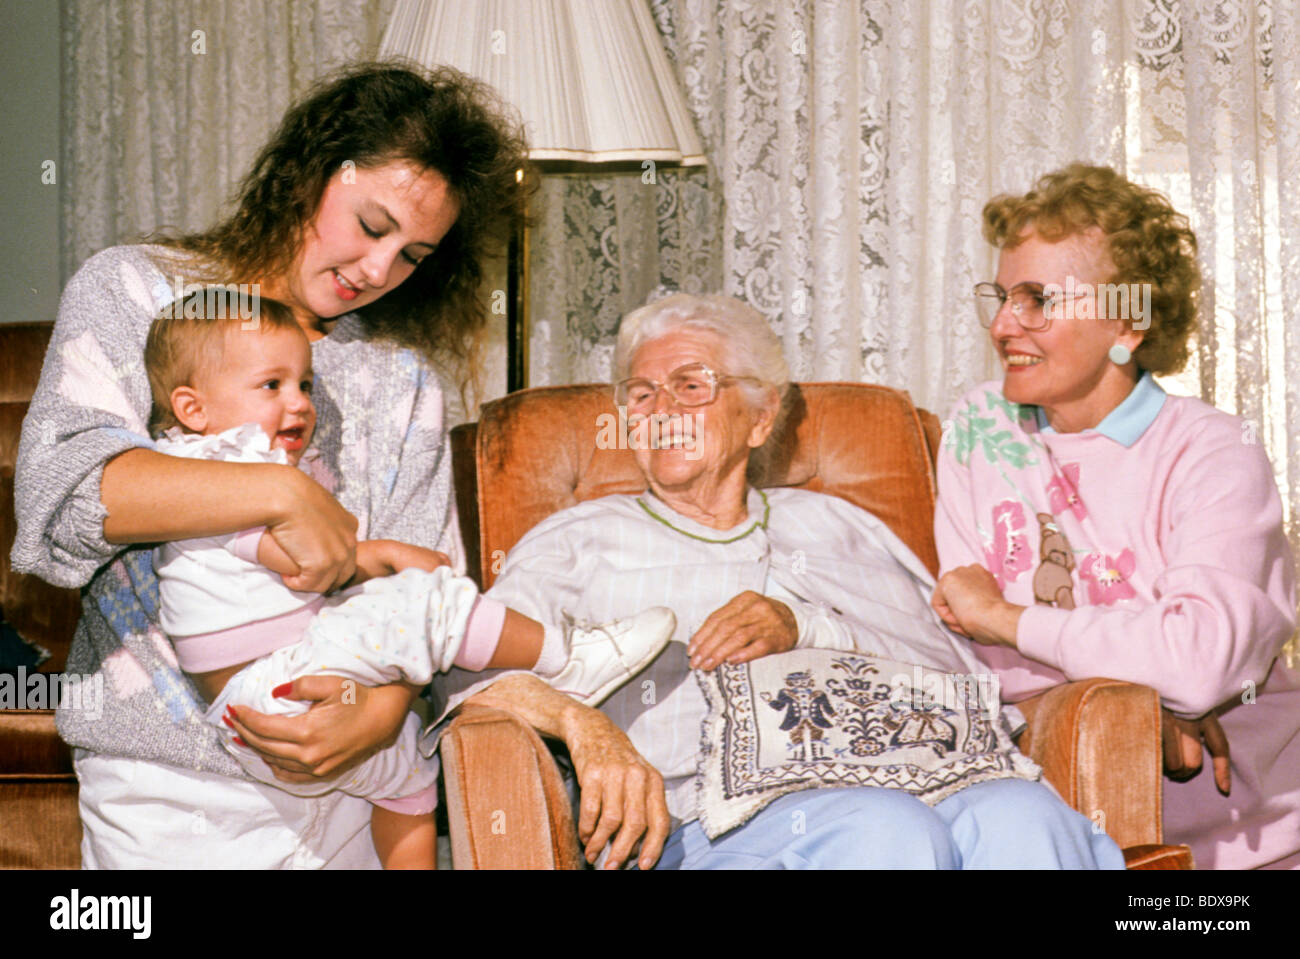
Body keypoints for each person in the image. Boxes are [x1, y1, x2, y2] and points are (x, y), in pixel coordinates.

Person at [12, 62, 537, 868]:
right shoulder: (137, 290)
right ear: (311, 174)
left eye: (412, 254)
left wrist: (379, 710)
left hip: (351, 795)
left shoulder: (403, 386)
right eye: (371, 224)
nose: (377, 269)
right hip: (163, 793)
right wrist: (277, 490)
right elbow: (65, 498)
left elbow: (424, 597)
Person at [433, 292, 1126, 870]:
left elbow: (948, 674)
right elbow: (467, 682)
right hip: (704, 826)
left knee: (1025, 818)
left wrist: (807, 626)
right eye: (641, 393)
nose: (661, 410)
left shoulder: (839, 524)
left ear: (760, 416)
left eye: (691, 385)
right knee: (883, 830)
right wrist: (584, 726)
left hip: (899, 777)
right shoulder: (575, 541)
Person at [140, 295, 673, 868]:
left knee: (409, 774)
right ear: (192, 409)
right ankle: (567, 659)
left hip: (259, 718)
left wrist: (377, 560)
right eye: (272, 385)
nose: (299, 403)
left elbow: (293, 565)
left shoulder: (198, 466)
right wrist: (387, 556)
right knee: (425, 608)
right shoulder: (224, 468)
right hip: (275, 684)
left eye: (305, 384)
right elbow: (306, 563)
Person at [930, 163, 1299, 869]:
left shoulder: (1213, 452)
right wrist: (1138, 706)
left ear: (1126, 321)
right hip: (1057, 829)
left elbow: (1196, 662)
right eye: (1002, 296)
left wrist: (1010, 619)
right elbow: (981, 666)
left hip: (1257, 843)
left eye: (1037, 299)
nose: (1005, 324)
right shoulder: (981, 427)